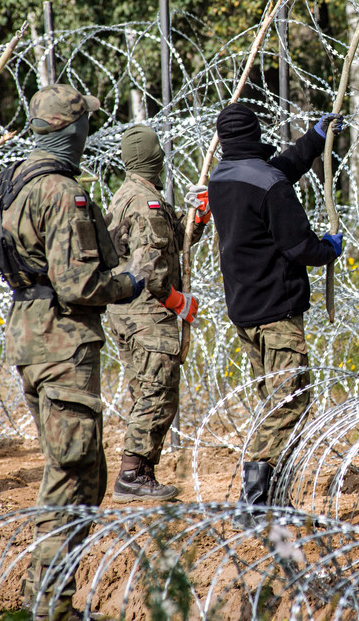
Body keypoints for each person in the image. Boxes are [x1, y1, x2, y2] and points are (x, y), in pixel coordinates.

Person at [0, 84, 147, 621]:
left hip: (30, 334)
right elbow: (77, 285)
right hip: (62, 339)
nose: (88, 134)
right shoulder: (59, 191)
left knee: (84, 468)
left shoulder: (8, 183)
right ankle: (49, 603)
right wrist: (127, 283)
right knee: (73, 469)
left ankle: (53, 599)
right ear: (67, 128)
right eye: (84, 125)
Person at [207, 104, 343, 512]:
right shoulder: (268, 183)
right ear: (254, 134)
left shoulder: (222, 177)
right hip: (276, 313)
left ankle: (272, 494)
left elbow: (276, 171)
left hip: (245, 308)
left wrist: (314, 141)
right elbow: (299, 245)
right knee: (290, 403)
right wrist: (328, 248)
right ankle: (258, 499)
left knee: (274, 401)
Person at [105, 124, 209, 502]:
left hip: (128, 314)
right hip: (148, 314)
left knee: (144, 391)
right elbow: (150, 268)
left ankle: (142, 471)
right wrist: (178, 301)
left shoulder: (130, 195)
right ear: (156, 159)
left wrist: (197, 217)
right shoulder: (145, 204)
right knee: (158, 393)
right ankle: (132, 474)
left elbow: (172, 241)